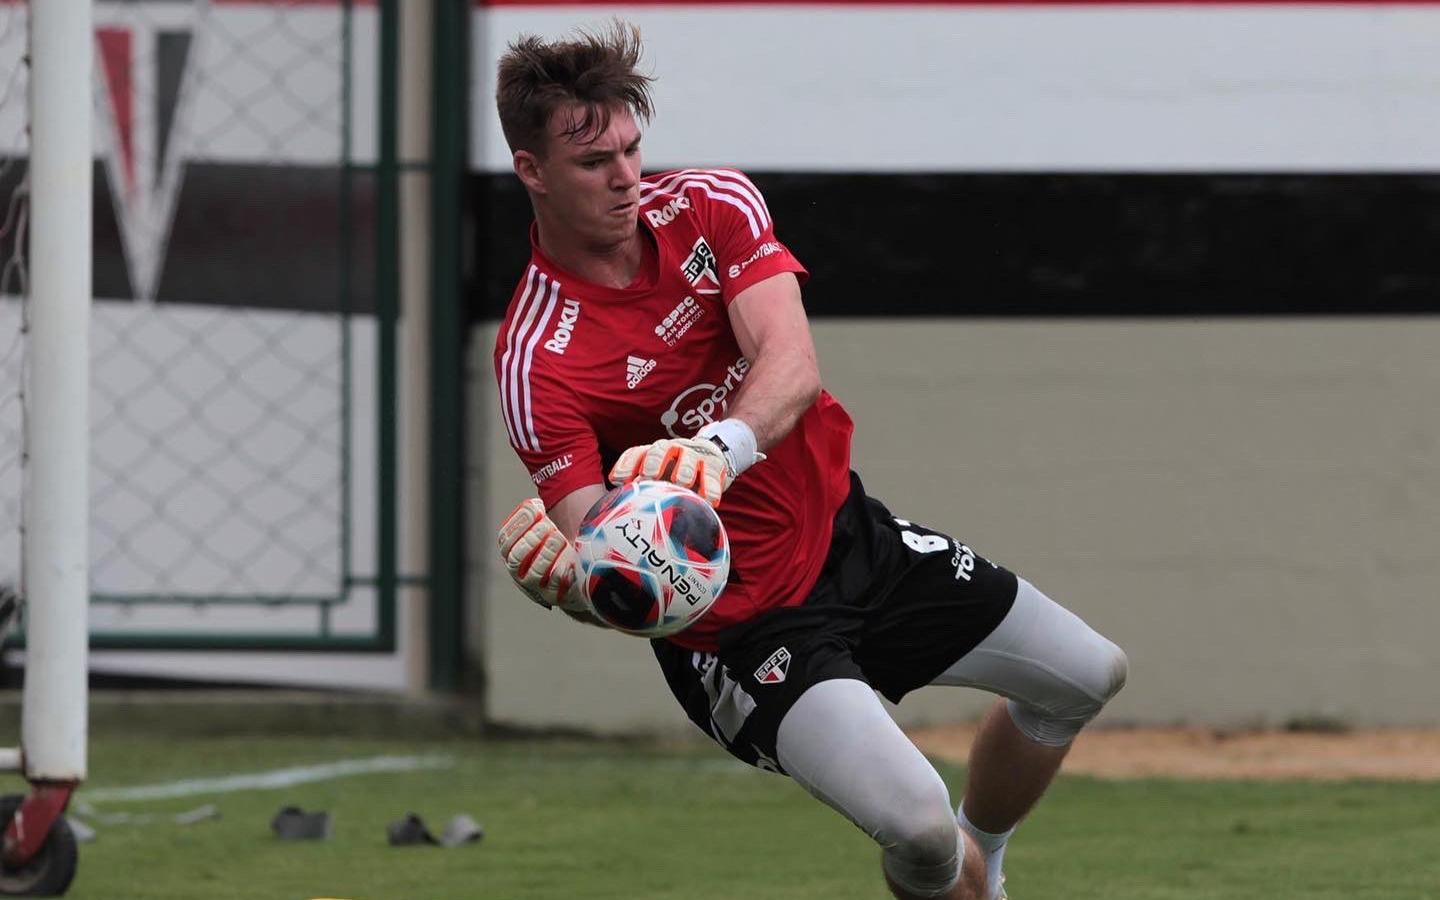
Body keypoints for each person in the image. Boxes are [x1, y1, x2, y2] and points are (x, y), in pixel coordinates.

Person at [492, 23, 1128, 900]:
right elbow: (610, 549)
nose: (627, 176)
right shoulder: (538, 357)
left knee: (1087, 675)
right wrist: (580, 586)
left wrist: (718, 449)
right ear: (532, 171)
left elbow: (790, 365)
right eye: (594, 160)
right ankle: (958, 872)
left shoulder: (714, 206)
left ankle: (988, 867)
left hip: (849, 538)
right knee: (915, 827)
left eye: (633, 148)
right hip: (744, 633)